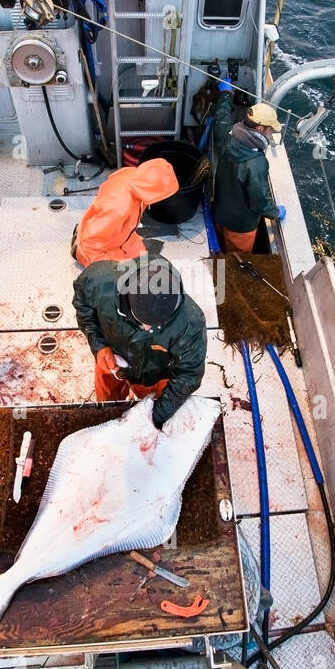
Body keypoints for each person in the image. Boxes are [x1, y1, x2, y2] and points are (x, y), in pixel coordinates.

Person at [72, 253, 206, 430]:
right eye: (141, 321)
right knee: (106, 410)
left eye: (156, 325)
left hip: (155, 373)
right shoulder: (98, 281)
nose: (147, 328)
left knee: (155, 405)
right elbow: (83, 308)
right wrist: (99, 345)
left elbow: (188, 375)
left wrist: (153, 418)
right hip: (110, 360)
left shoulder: (191, 322)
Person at [210, 77, 285, 253]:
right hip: (240, 227)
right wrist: (274, 212)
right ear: (260, 129)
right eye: (269, 128)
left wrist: (226, 93)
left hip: (219, 214)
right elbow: (259, 201)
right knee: (238, 261)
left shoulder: (227, 134)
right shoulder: (256, 163)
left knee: (220, 246)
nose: (270, 131)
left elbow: (222, 114)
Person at [72, 158, 178, 266]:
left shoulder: (132, 174)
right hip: (95, 248)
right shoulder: (118, 207)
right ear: (153, 190)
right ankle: (79, 252)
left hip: (122, 234)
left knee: (143, 260)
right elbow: (89, 243)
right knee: (127, 273)